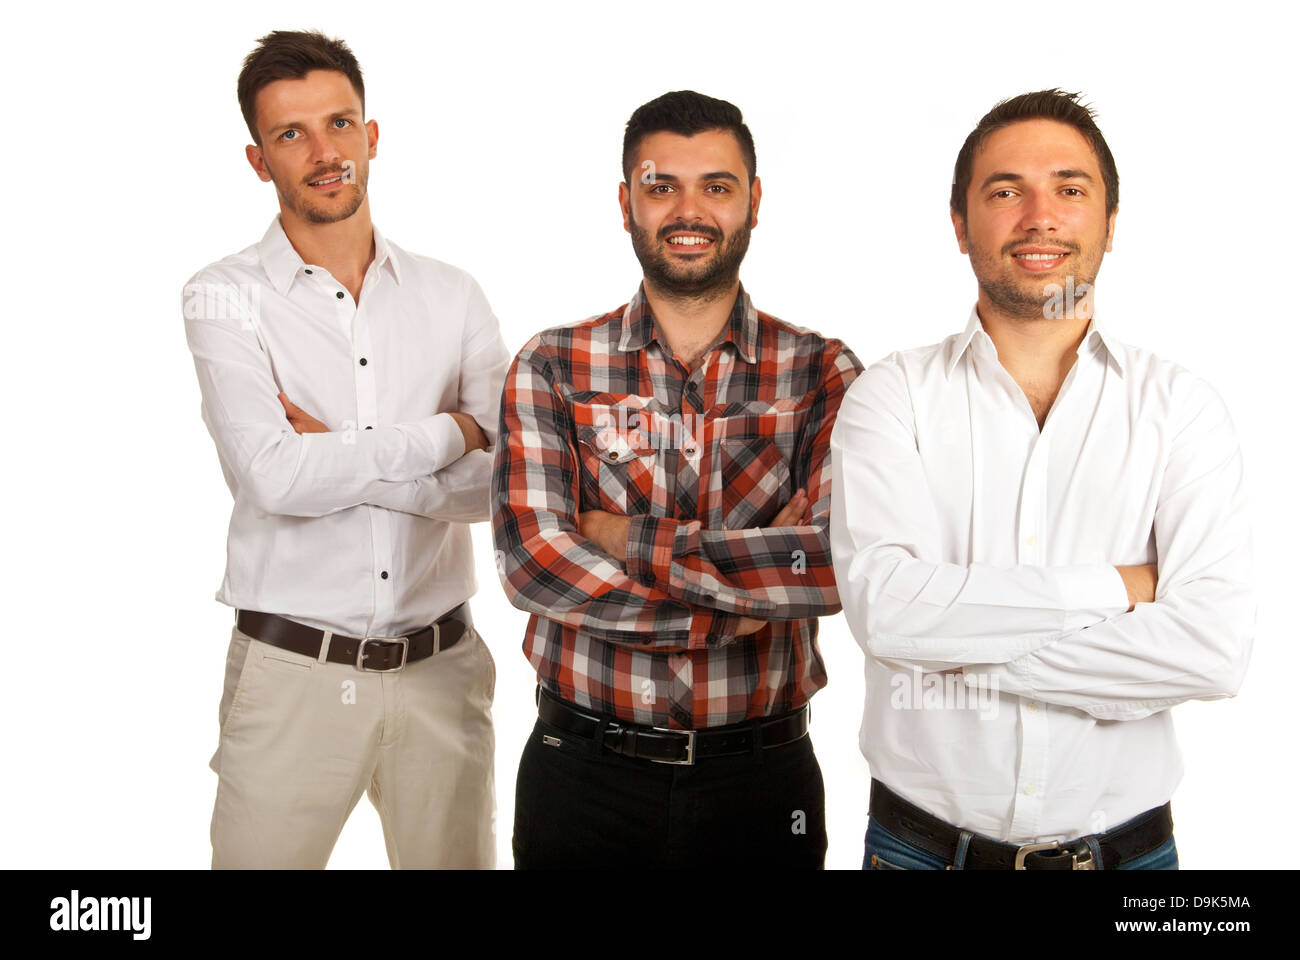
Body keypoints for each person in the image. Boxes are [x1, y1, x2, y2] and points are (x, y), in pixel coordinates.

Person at [829, 89, 1254, 870]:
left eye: (1069, 188)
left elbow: (1210, 649)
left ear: (1110, 224)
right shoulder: (892, 397)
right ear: (960, 225)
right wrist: (1117, 588)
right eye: (1005, 191)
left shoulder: (1181, 410)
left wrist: (952, 643)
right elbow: (888, 615)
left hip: (1129, 860)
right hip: (920, 852)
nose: (1039, 216)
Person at [491, 90, 863, 869]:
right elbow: (535, 565)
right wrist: (740, 603)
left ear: (753, 202)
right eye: (662, 186)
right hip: (580, 777)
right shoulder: (551, 364)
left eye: (716, 187)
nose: (687, 210)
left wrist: (622, 536)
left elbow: (831, 563)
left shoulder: (822, 373)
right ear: (626, 202)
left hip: (762, 787)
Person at [182, 30, 509, 869]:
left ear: (373, 135)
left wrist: (347, 458)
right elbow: (274, 477)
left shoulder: (454, 295)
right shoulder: (223, 297)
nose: (323, 153)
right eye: (291, 134)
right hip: (293, 674)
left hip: (442, 672)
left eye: (340, 124)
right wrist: (446, 436)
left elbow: (504, 489)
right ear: (259, 160)